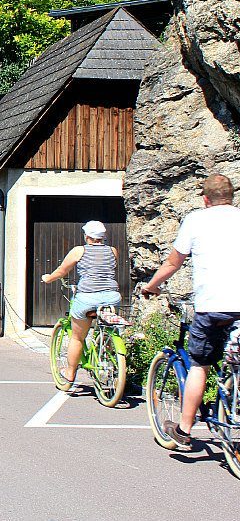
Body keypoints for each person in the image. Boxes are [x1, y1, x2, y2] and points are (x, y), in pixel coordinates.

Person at [139, 173, 240, 450]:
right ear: (231, 197)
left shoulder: (196, 220)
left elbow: (173, 263)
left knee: (199, 365)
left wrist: (151, 286)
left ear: (206, 199)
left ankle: (183, 430)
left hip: (212, 308)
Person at [41, 220, 121, 390]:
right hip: (112, 297)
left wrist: (48, 278)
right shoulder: (113, 251)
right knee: (107, 329)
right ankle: (106, 358)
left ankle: (70, 373)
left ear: (87, 236)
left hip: (87, 298)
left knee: (77, 337)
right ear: (103, 237)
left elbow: (62, 271)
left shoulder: (80, 251)